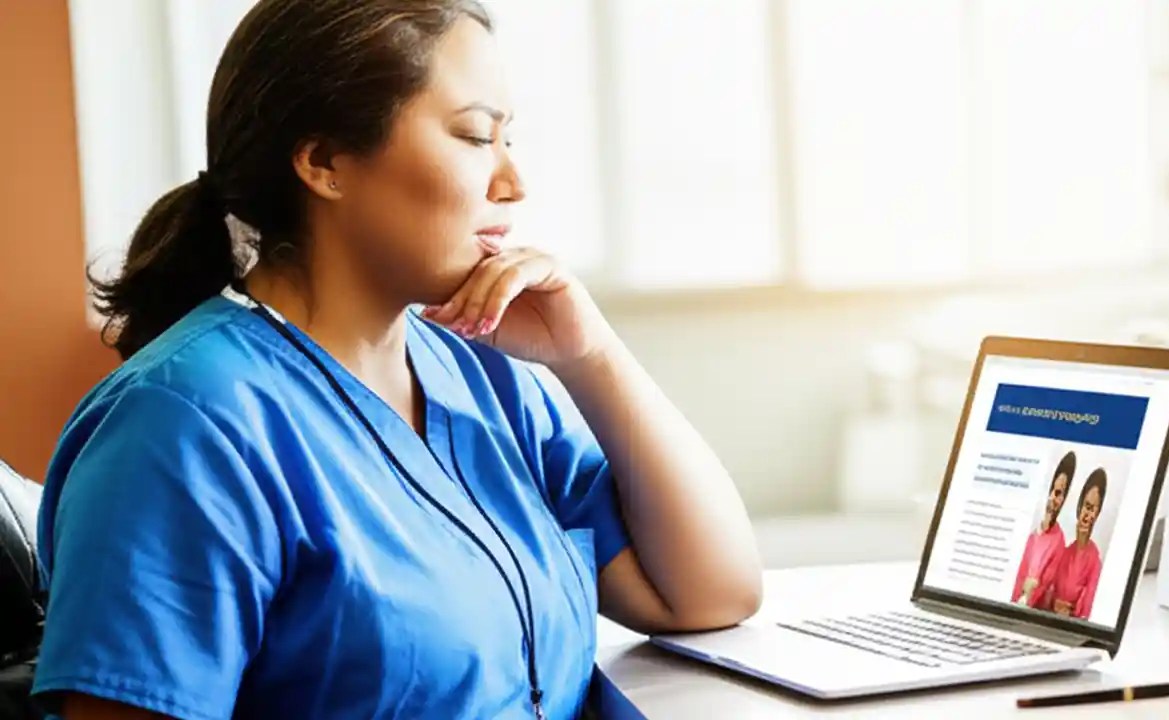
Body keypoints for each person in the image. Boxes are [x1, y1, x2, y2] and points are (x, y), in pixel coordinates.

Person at [32, 2, 762, 718]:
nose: (513, 182)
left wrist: (591, 354)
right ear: (325, 162)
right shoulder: (181, 426)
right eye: (477, 136)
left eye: (510, 139)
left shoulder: (487, 380)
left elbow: (708, 593)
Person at [1011, 451, 1076, 608]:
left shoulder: (1059, 541)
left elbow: (1043, 584)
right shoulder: (1033, 532)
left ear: (1064, 498)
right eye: (1052, 491)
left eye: (1059, 493)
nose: (1053, 497)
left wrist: (1027, 597)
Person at [1045, 469, 1108, 621]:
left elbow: (1086, 613)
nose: (1088, 515)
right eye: (1087, 506)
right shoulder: (1064, 552)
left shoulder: (1095, 564)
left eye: (1094, 510)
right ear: (1079, 507)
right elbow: (1047, 593)